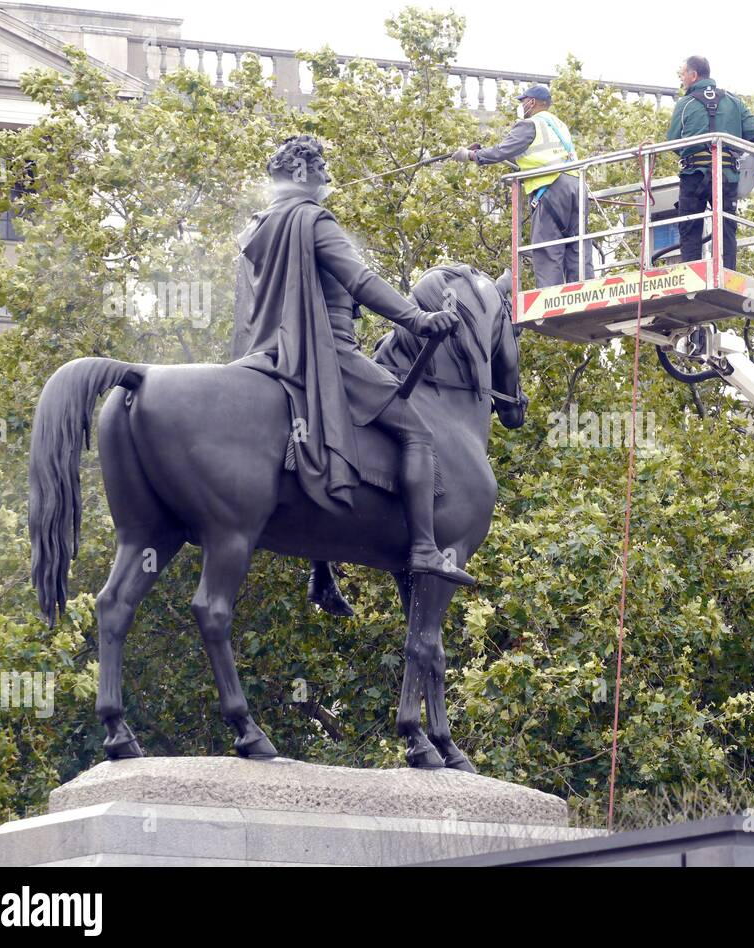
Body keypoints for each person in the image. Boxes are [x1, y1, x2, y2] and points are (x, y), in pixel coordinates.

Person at [231, 135, 477, 617]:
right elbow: (361, 281)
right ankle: (425, 547)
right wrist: (416, 319)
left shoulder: (259, 228)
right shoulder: (312, 220)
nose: (326, 174)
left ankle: (321, 570)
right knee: (417, 434)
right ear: (301, 173)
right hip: (328, 355)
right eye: (320, 165)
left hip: (268, 355)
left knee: (325, 437)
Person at [453, 83, 587, 286]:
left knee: (547, 248)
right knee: (577, 244)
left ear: (531, 102)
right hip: (575, 184)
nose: (522, 105)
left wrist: (471, 155)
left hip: (550, 188)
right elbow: (538, 155)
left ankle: (549, 301)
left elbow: (502, 150)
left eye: (523, 101)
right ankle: (582, 290)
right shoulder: (559, 124)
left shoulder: (530, 124)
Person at [666, 56, 754, 270]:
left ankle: (690, 273)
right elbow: (753, 136)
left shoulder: (685, 104)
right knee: (726, 226)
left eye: (683, 74)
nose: (682, 79)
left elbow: (672, 141)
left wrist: (692, 152)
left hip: (694, 175)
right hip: (726, 175)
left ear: (693, 75)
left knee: (690, 227)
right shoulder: (734, 102)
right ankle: (728, 270)